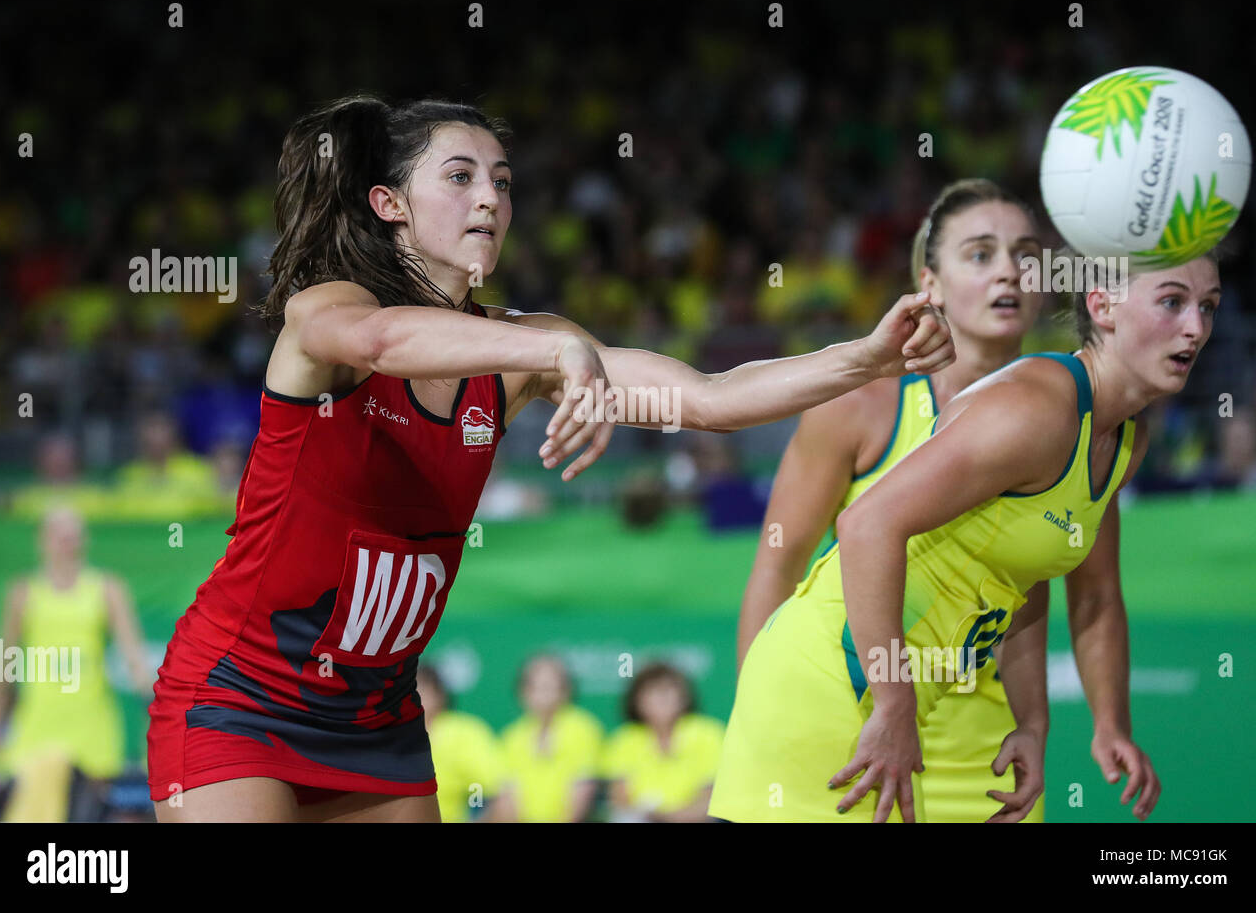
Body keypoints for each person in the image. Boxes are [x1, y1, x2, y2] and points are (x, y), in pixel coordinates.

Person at [146, 95, 953, 823]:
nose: (491, 199)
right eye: (459, 178)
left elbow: (708, 398)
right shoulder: (326, 310)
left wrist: (867, 357)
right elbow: (385, 338)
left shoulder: (524, 352)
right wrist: (564, 349)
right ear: (388, 204)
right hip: (238, 698)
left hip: (374, 719)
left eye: (501, 181)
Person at [711, 249, 1219, 822]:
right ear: (1102, 306)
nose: (1195, 328)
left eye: (1209, 307)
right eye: (1172, 302)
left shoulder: (1125, 440)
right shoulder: (1037, 406)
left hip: (885, 704)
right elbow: (866, 525)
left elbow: (1025, 579)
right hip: (832, 687)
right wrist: (895, 703)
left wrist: (1032, 724)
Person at [736, 179, 1055, 822]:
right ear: (928, 283)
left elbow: (1036, 592)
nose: (1009, 272)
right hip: (849, 729)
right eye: (980, 254)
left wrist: (1039, 723)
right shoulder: (860, 407)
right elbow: (778, 561)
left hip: (984, 756)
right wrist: (754, 726)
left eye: (1025, 254)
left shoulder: (1068, 414)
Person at [0, 506, 150, 822]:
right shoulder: (23, 592)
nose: (67, 544)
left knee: (87, 814)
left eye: (74, 536)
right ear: (42, 540)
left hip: (92, 724)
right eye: (60, 536)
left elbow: (134, 658)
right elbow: (3, 666)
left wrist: (155, 712)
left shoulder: (107, 588)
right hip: (38, 721)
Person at [601, 662, 725, 822]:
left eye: (669, 690)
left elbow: (710, 801)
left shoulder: (708, 733)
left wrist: (666, 817)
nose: (662, 697)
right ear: (636, 700)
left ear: (684, 697)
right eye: (652, 691)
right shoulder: (625, 739)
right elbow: (621, 801)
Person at [496, 655, 602, 822]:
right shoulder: (512, 735)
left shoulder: (584, 728)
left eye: (550, 685)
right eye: (535, 686)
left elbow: (583, 789)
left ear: (566, 690)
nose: (543, 693)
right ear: (523, 692)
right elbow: (507, 795)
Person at [415, 664, 506, 823]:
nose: (416, 696)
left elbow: (480, 786)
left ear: (439, 694)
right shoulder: (393, 735)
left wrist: (474, 815)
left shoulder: (464, 732)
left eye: (422, 689)